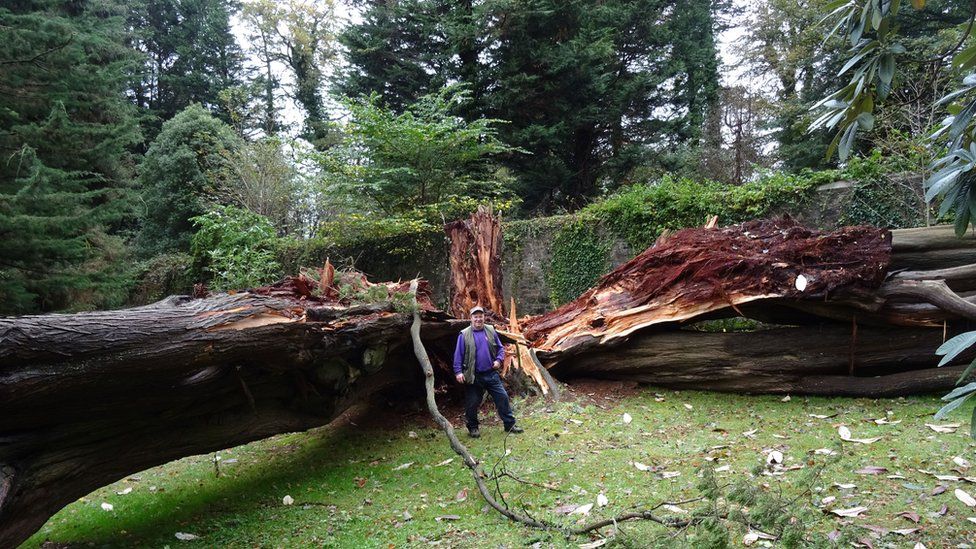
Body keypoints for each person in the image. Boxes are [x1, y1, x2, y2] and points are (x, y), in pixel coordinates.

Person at [453, 305, 523, 438]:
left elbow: (500, 348)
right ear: (471, 318)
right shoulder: (464, 334)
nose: (478, 319)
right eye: (475, 317)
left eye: (480, 316)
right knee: (472, 403)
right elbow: (458, 355)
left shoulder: (490, 330)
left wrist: (499, 360)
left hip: (491, 374)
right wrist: (458, 372)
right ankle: (473, 428)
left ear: (484, 317)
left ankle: (510, 425)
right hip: (474, 376)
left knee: (502, 397)